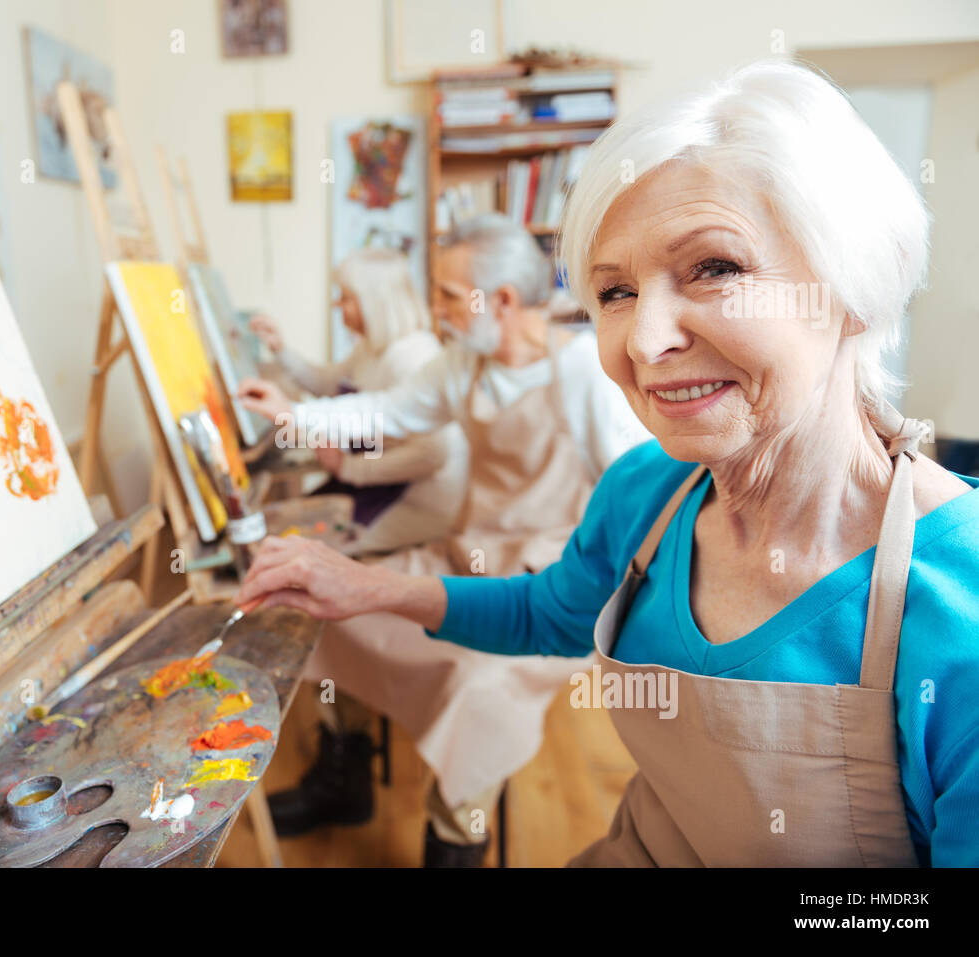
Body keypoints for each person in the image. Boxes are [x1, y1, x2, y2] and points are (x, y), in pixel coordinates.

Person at [236, 59, 979, 867]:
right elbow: (551, 614)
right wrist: (363, 586)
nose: (645, 341)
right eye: (615, 292)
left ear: (853, 286)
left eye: (714, 267)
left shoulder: (956, 613)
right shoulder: (647, 496)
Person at [240, 214, 650, 866]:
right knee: (329, 613)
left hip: (548, 589)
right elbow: (386, 410)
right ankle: (342, 780)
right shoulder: (464, 365)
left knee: (478, 694)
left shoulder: (586, 375)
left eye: (451, 296)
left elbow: (638, 513)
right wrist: (293, 415)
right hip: (466, 556)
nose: (438, 310)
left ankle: (454, 836)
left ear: (505, 301)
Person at [250, 248, 467, 554]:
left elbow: (432, 455)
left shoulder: (413, 355)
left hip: (415, 498)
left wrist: (348, 467)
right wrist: (281, 350)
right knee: (280, 530)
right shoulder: (371, 348)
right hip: (376, 485)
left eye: (345, 297)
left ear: (374, 302)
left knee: (291, 545)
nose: (337, 305)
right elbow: (328, 384)